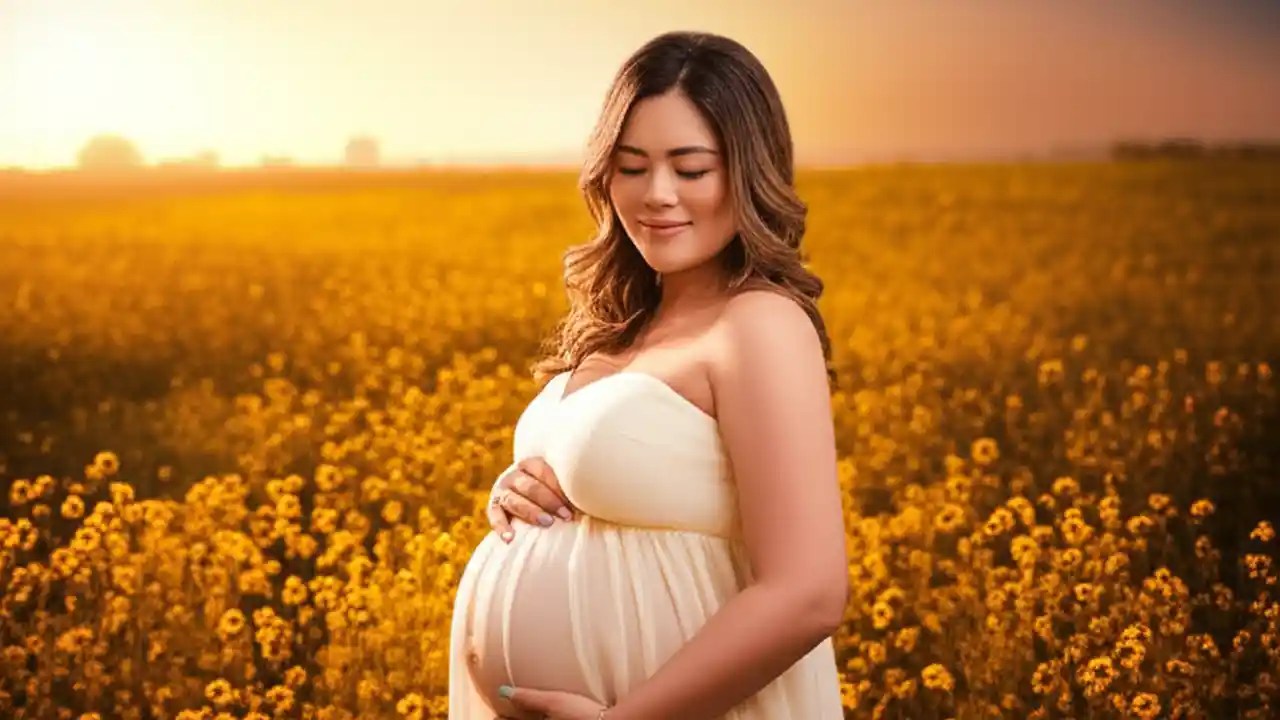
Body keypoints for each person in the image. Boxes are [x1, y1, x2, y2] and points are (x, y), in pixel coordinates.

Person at [448, 30, 848, 720]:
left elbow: (808, 591)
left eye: (690, 170)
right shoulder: (623, 323)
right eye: (631, 167)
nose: (657, 194)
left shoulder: (757, 323)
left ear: (748, 171)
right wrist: (519, 495)